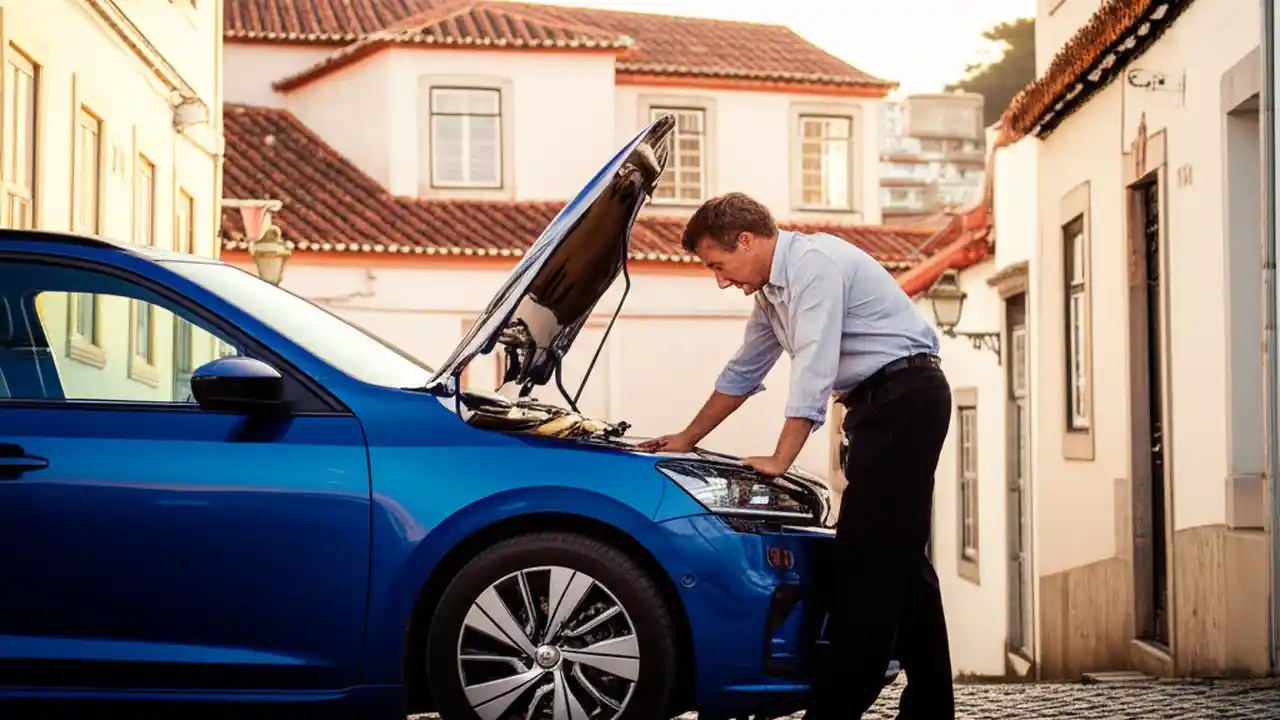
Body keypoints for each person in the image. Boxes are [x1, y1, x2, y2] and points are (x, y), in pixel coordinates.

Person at [638, 193, 955, 718]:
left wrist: (782, 457)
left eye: (718, 265)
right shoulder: (769, 294)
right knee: (900, 560)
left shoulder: (815, 267)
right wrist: (687, 436)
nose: (720, 280)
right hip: (877, 405)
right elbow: (745, 370)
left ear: (746, 240)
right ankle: (931, 707)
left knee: (865, 557)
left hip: (906, 397)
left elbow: (814, 364)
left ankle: (835, 709)